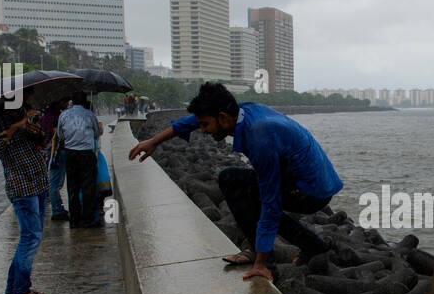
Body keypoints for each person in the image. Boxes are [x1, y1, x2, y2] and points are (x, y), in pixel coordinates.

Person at [128, 82, 342, 283]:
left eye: (205, 125)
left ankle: (265, 260)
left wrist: (259, 263)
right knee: (231, 179)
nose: (202, 130)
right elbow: (188, 122)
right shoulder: (238, 112)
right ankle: (314, 246)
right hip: (306, 181)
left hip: (312, 192)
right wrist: (154, 141)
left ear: (223, 118)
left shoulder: (260, 136)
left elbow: (271, 203)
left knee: (257, 198)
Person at [0, 103, 54, 294]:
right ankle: (22, 293)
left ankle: (13, 288)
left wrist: (35, 132)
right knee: (30, 237)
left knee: (32, 236)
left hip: (39, 182)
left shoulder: (27, 114)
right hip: (22, 187)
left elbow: (44, 142)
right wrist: (15, 127)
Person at [58, 93, 104, 228]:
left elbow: (61, 135)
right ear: (85, 102)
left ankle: (74, 219)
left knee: (72, 186)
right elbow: (96, 133)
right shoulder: (89, 115)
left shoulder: (64, 115)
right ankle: (88, 219)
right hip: (86, 154)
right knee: (88, 187)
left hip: (70, 154)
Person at [42, 97, 71, 222]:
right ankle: (57, 210)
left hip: (52, 152)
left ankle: (58, 207)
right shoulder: (57, 117)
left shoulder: (47, 116)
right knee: (55, 183)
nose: (67, 103)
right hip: (57, 152)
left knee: (55, 182)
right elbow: (59, 134)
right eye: (65, 101)